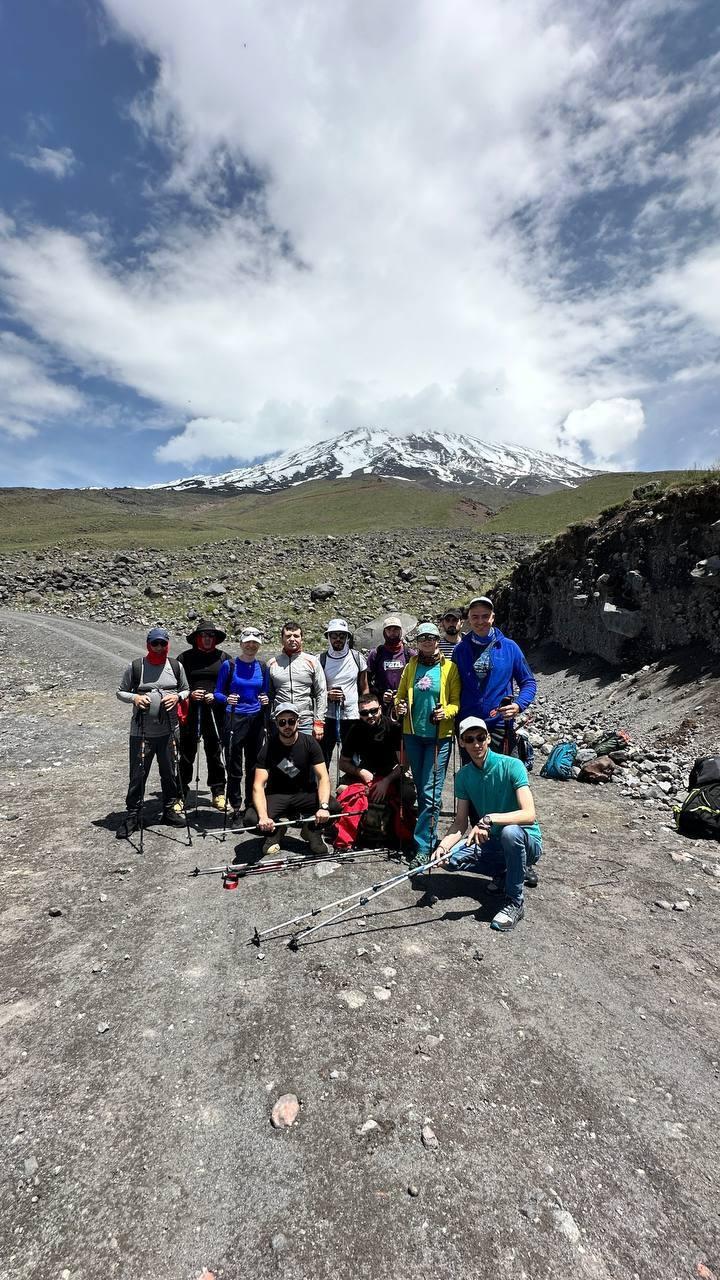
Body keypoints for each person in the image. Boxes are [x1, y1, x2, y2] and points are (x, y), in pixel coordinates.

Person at [435, 716, 542, 932]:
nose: (476, 744)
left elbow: (529, 814)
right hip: (492, 841)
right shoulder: (463, 776)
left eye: (481, 737)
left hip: (525, 840)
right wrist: (442, 847)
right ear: (461, 742)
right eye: (470, 739)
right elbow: (459, 823)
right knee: (448, 860)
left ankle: (514, 902)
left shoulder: (512, 765)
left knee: (510, 834)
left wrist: (489, 818)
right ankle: (505, 872)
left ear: (488, 739)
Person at [395, 622, 460, 866]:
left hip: (438, 738)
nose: (427, 641)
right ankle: (428, 834)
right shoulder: (411, 666)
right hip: (412, 734)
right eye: (422, 637)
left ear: (437, 639)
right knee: (423, 789)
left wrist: (447, 713)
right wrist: (398, 706)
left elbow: (455, 702)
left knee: (430, 793)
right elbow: (400, 696)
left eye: (431, 637)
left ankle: (422, 846)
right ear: (417, 641)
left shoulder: (449, 668)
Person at [116, 625, 190, 826]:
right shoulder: (136, 666)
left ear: (168, 645)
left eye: (162, 643)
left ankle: (169, 810)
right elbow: (120, 692)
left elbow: (186, 690)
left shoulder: (175, 666)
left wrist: (177, 696)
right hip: (141, 732)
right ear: (148, 644)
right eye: (154, 643)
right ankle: (133, 815)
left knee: (170, 773)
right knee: (138, 774)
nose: (158, 647)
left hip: (170, 730)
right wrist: (135, 698)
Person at [244, 703, 340, 855]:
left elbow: (323, 777)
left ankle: (311, 831)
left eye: (291, 721)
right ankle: (274, 832)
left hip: (304, 793)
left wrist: (323, 806)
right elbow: (258, 785)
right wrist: (263, 817)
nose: (287, 725)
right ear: (276, 724)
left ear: (298, 721)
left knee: (334, 807)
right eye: (282, 722)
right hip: (277, 795)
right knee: (250, 819)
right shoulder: (268, 748)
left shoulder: (310, 743)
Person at [451, 596, 537, 754]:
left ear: (493, 617)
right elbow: (451, 685)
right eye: (475, 617)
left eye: (485, 616)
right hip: (468, 723)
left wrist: (518, 705)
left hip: (500, 723)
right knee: (473, 775)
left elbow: (528, 682)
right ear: (468, 619)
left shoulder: (510, 647)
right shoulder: (460, 650)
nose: (480, 621)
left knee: (499, 774)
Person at [335, 691, 414, 850]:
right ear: (359, 714)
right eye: (364, 713)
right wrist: (359, 772)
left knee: (408, 795)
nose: (370, 715)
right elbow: (342, 763)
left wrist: (386, 781)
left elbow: (404, 764)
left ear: (380, 708)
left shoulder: (393, 728)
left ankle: (398, 833)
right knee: (340, 792)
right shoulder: (355, 730)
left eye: (374, 711)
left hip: (390, 773)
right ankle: (351, 834)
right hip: (365, 772)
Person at [177, 619, 232, 811]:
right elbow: (178, 684)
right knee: (186, 752)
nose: (208, 639)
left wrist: (217, 696)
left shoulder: (224, 658)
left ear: (215, 639)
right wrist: (191, 693)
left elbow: (230, 686)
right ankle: (181, 793)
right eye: (204, 636)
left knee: (215, 752)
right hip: (191, 711)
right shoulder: (185, 658)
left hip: (215, 711)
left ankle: (218, 792)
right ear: (197, 638)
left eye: (211, 636)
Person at [214, 626, 269, 815]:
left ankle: (252, 805)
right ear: (241, 644)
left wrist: (265, 698)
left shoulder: (262, 667)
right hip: (234, 717)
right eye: (248, 642)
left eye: (255, 643)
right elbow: (218, 693)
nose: (251, 646)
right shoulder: (230, 666)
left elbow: (266, 692)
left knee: (254, 764)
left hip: (256, 719)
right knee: (234, 765)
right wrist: (226, 699)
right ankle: (235, 805)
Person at [319, 618, 369, 767]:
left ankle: (350, 788)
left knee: (353, 756)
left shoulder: (357, 657)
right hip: (328, 715)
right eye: (334, 635)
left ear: (347, 637)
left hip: (352, 715)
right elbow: (316, 689)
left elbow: (364, 686)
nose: (338, 639)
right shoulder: (320, 659)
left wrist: (364, 711)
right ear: (328, 637)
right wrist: (328, 694)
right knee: (324, 755)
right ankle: (323, 788)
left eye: (342, 635)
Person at [267, 621, 327, 739]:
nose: (292, 639)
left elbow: (321, 692)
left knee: (305, 756)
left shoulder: (312, 661)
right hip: (281, 722)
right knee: (281, 757)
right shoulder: (272, 663)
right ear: (282, 639)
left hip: (305, 721)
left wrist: (319, 722)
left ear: (301, 638)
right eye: (288, 636)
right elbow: (269, 696)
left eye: (296, 636)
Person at [366, 616, 413, 711]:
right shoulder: (376, 654)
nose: (392, 633)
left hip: (404, 705)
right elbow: (367, 681)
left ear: (400, 631)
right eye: (389, 629)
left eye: (396, 629)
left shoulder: (409, 654)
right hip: (382, 706)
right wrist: (380, 694)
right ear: (384, 632)